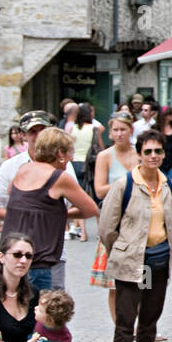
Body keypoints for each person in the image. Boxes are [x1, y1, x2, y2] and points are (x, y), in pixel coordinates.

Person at [99, 129, 172, 342]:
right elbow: (107, 227)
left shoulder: (168, 184)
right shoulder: (125, 184)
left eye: (158, 151)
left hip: (159, 260)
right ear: (139, 154)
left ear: (164, 154)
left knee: (150, 317)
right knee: (126, 317)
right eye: (148, 152)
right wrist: (123, 252)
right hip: (133, 262)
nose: (153, 156)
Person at [2, 128, 97, 294]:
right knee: (46, 316)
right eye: (70, 152)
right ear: (60, 153)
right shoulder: (59, 177)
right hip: (39, 261)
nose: (71, 158)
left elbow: (11, 192)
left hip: (11, 258)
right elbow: (90, 209)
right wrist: (61, 214)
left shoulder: (23, 169)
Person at [93, 112, 138, 323]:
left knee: (142, 276)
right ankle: (120, 325)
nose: (119, 134)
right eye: (116, 130)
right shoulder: (105, 156)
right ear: (110, 133)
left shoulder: (140, 154)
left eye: (123, 129)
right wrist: (126, 185)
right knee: (115, 281)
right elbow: (99, 190)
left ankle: (141, 324)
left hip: (139, 219)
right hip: (114, 220)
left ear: (131, 131)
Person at [68, 103, 101, 241]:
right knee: (97, 198)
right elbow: (99, 145)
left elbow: (70, 146)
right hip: (89, 165)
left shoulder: (72, 128)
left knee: (77, 200)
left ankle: (83, 233)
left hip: (75, 163)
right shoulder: (94, 128)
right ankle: (101, 231)